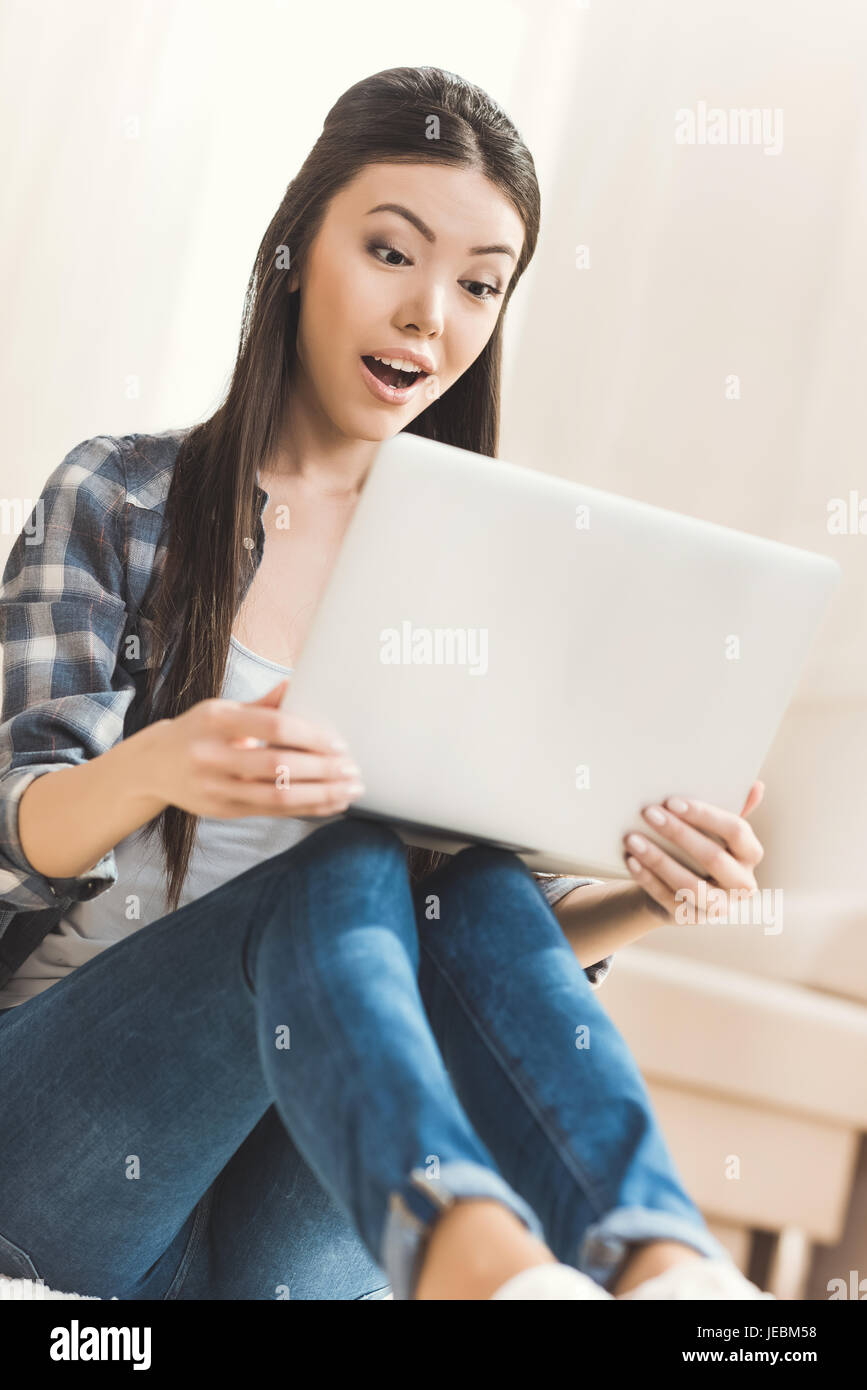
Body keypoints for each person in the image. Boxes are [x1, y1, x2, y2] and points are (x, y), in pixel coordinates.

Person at [0, 66, 772, 1301]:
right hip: (64, 1157)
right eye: (392, 251)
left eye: (478, 284)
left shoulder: (495, 591)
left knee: (455, 891)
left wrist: (644, 893)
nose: (429, 316)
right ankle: (473, 1252)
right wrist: (160, 761)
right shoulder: (122, 496)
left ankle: (657, 1261)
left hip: (280, 1229)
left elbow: (487, 964)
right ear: (300, 244)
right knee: (346, 860)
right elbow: (15, 830)